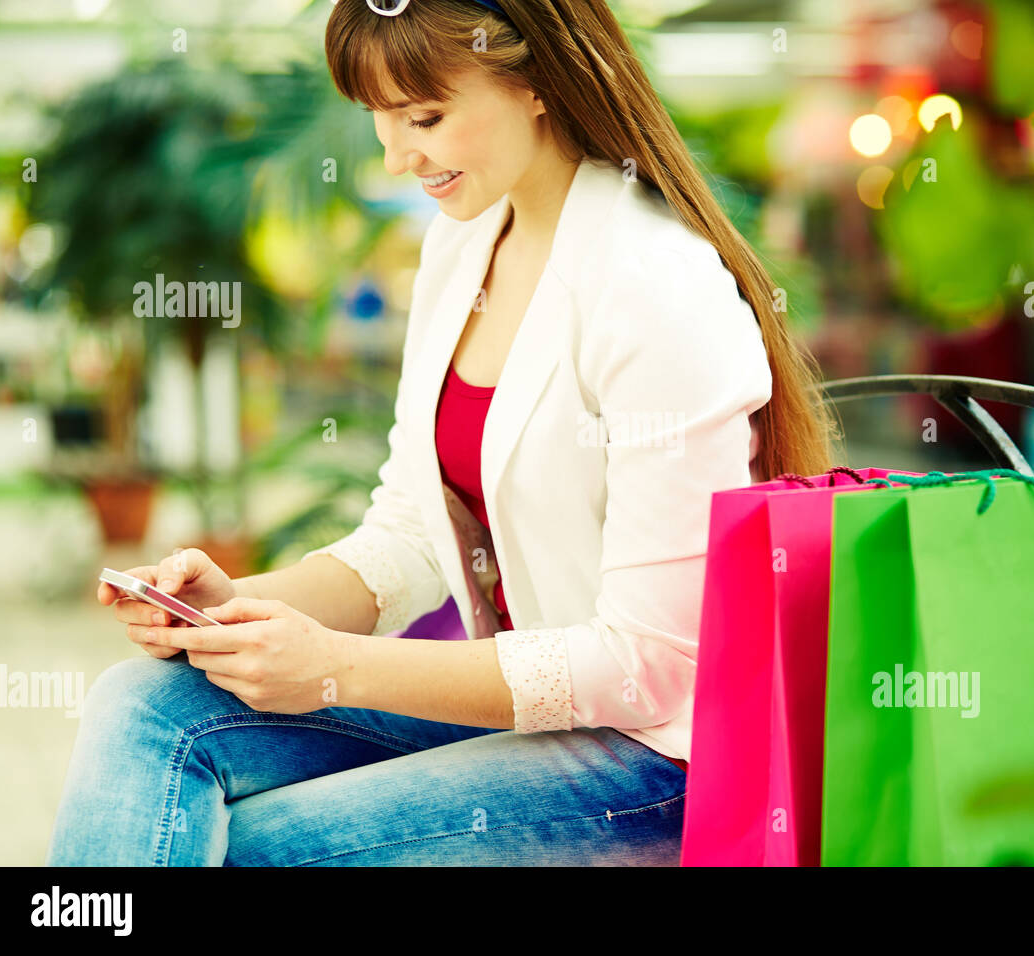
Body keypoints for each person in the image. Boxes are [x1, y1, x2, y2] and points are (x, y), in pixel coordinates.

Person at [46, 0, 834, 866]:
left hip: (656, 760)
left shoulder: (655, 288)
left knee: (262, 849)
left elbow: (650, 665)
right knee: (145, 704)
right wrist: (227, 608)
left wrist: (336, 666)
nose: (395, 156)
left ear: (536, 83)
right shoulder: (465, 247)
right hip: (532, 713)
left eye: (424, 118)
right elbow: (413, 532)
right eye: (379, 120)